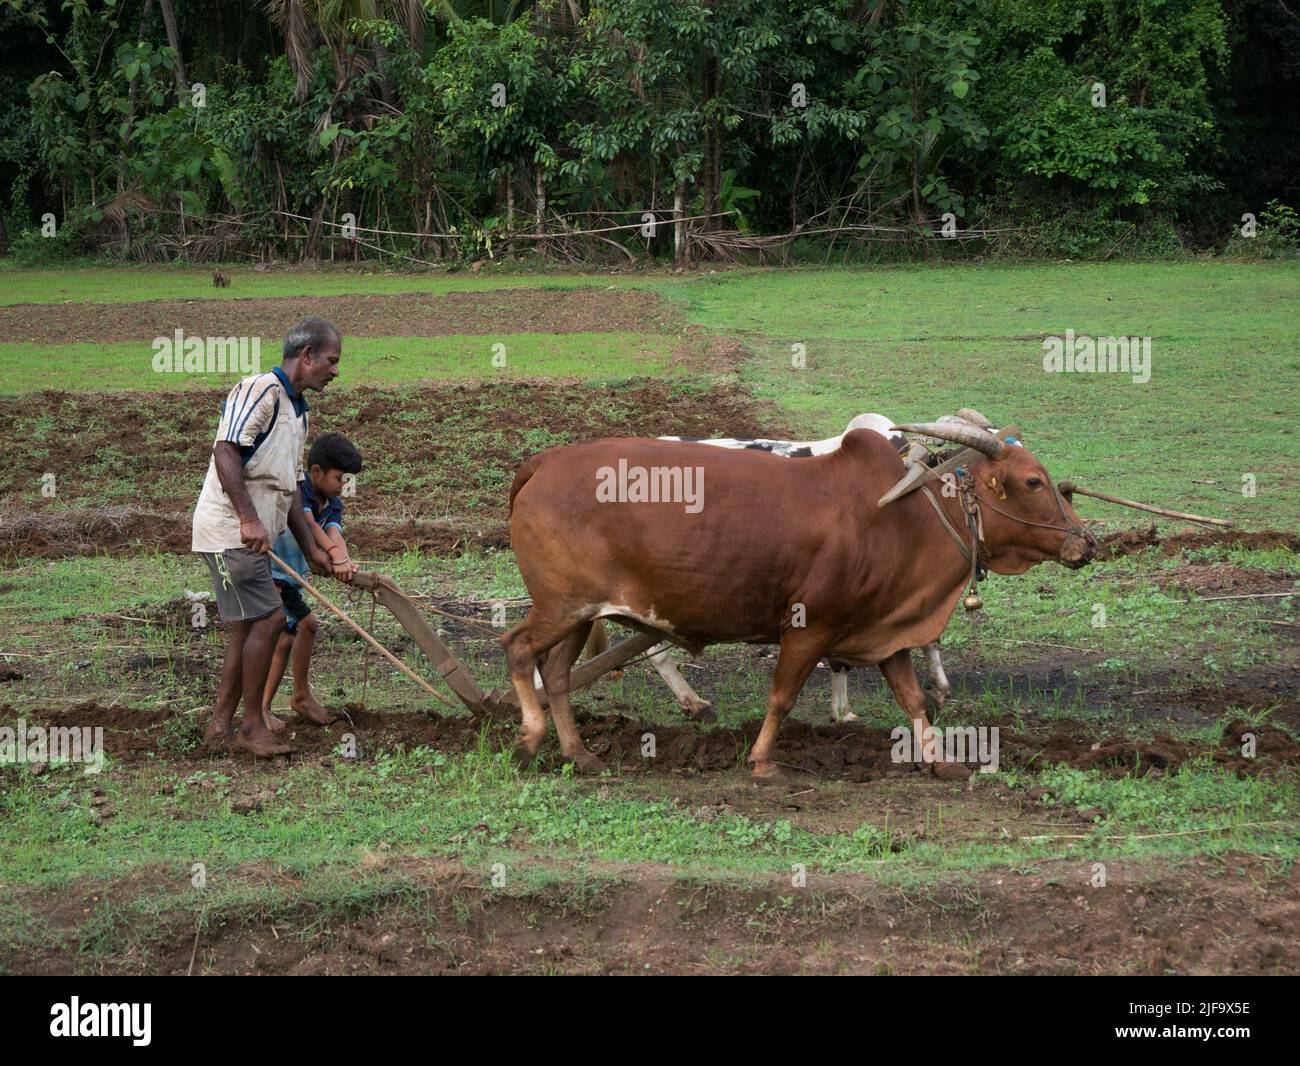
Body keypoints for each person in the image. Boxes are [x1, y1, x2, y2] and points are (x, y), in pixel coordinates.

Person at [191, 318, 342, 756]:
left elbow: (291, 485)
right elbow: (225, 449)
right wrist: (248, 518)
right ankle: (252, 726)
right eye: (331, 361)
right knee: (272, 621)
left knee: (246, 628)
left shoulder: (299, 409)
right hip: (228, 532)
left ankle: (221, 726)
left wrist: (311, 546)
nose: (335, 371)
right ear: (307, 355)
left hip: (248, 535)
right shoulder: (260, 390)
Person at [261, 432, 362, 730]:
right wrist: (333, 555)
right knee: (307, 624)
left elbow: (333, 532)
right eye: (339, 478)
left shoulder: (331, 501)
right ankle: (297, 696)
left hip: (290, 579)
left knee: (285, 639)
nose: (343, 486)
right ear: (316, 472)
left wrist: (344, 561)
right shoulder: (301, 491)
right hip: (272, 573)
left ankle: (269, 706)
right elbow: (306, 523)